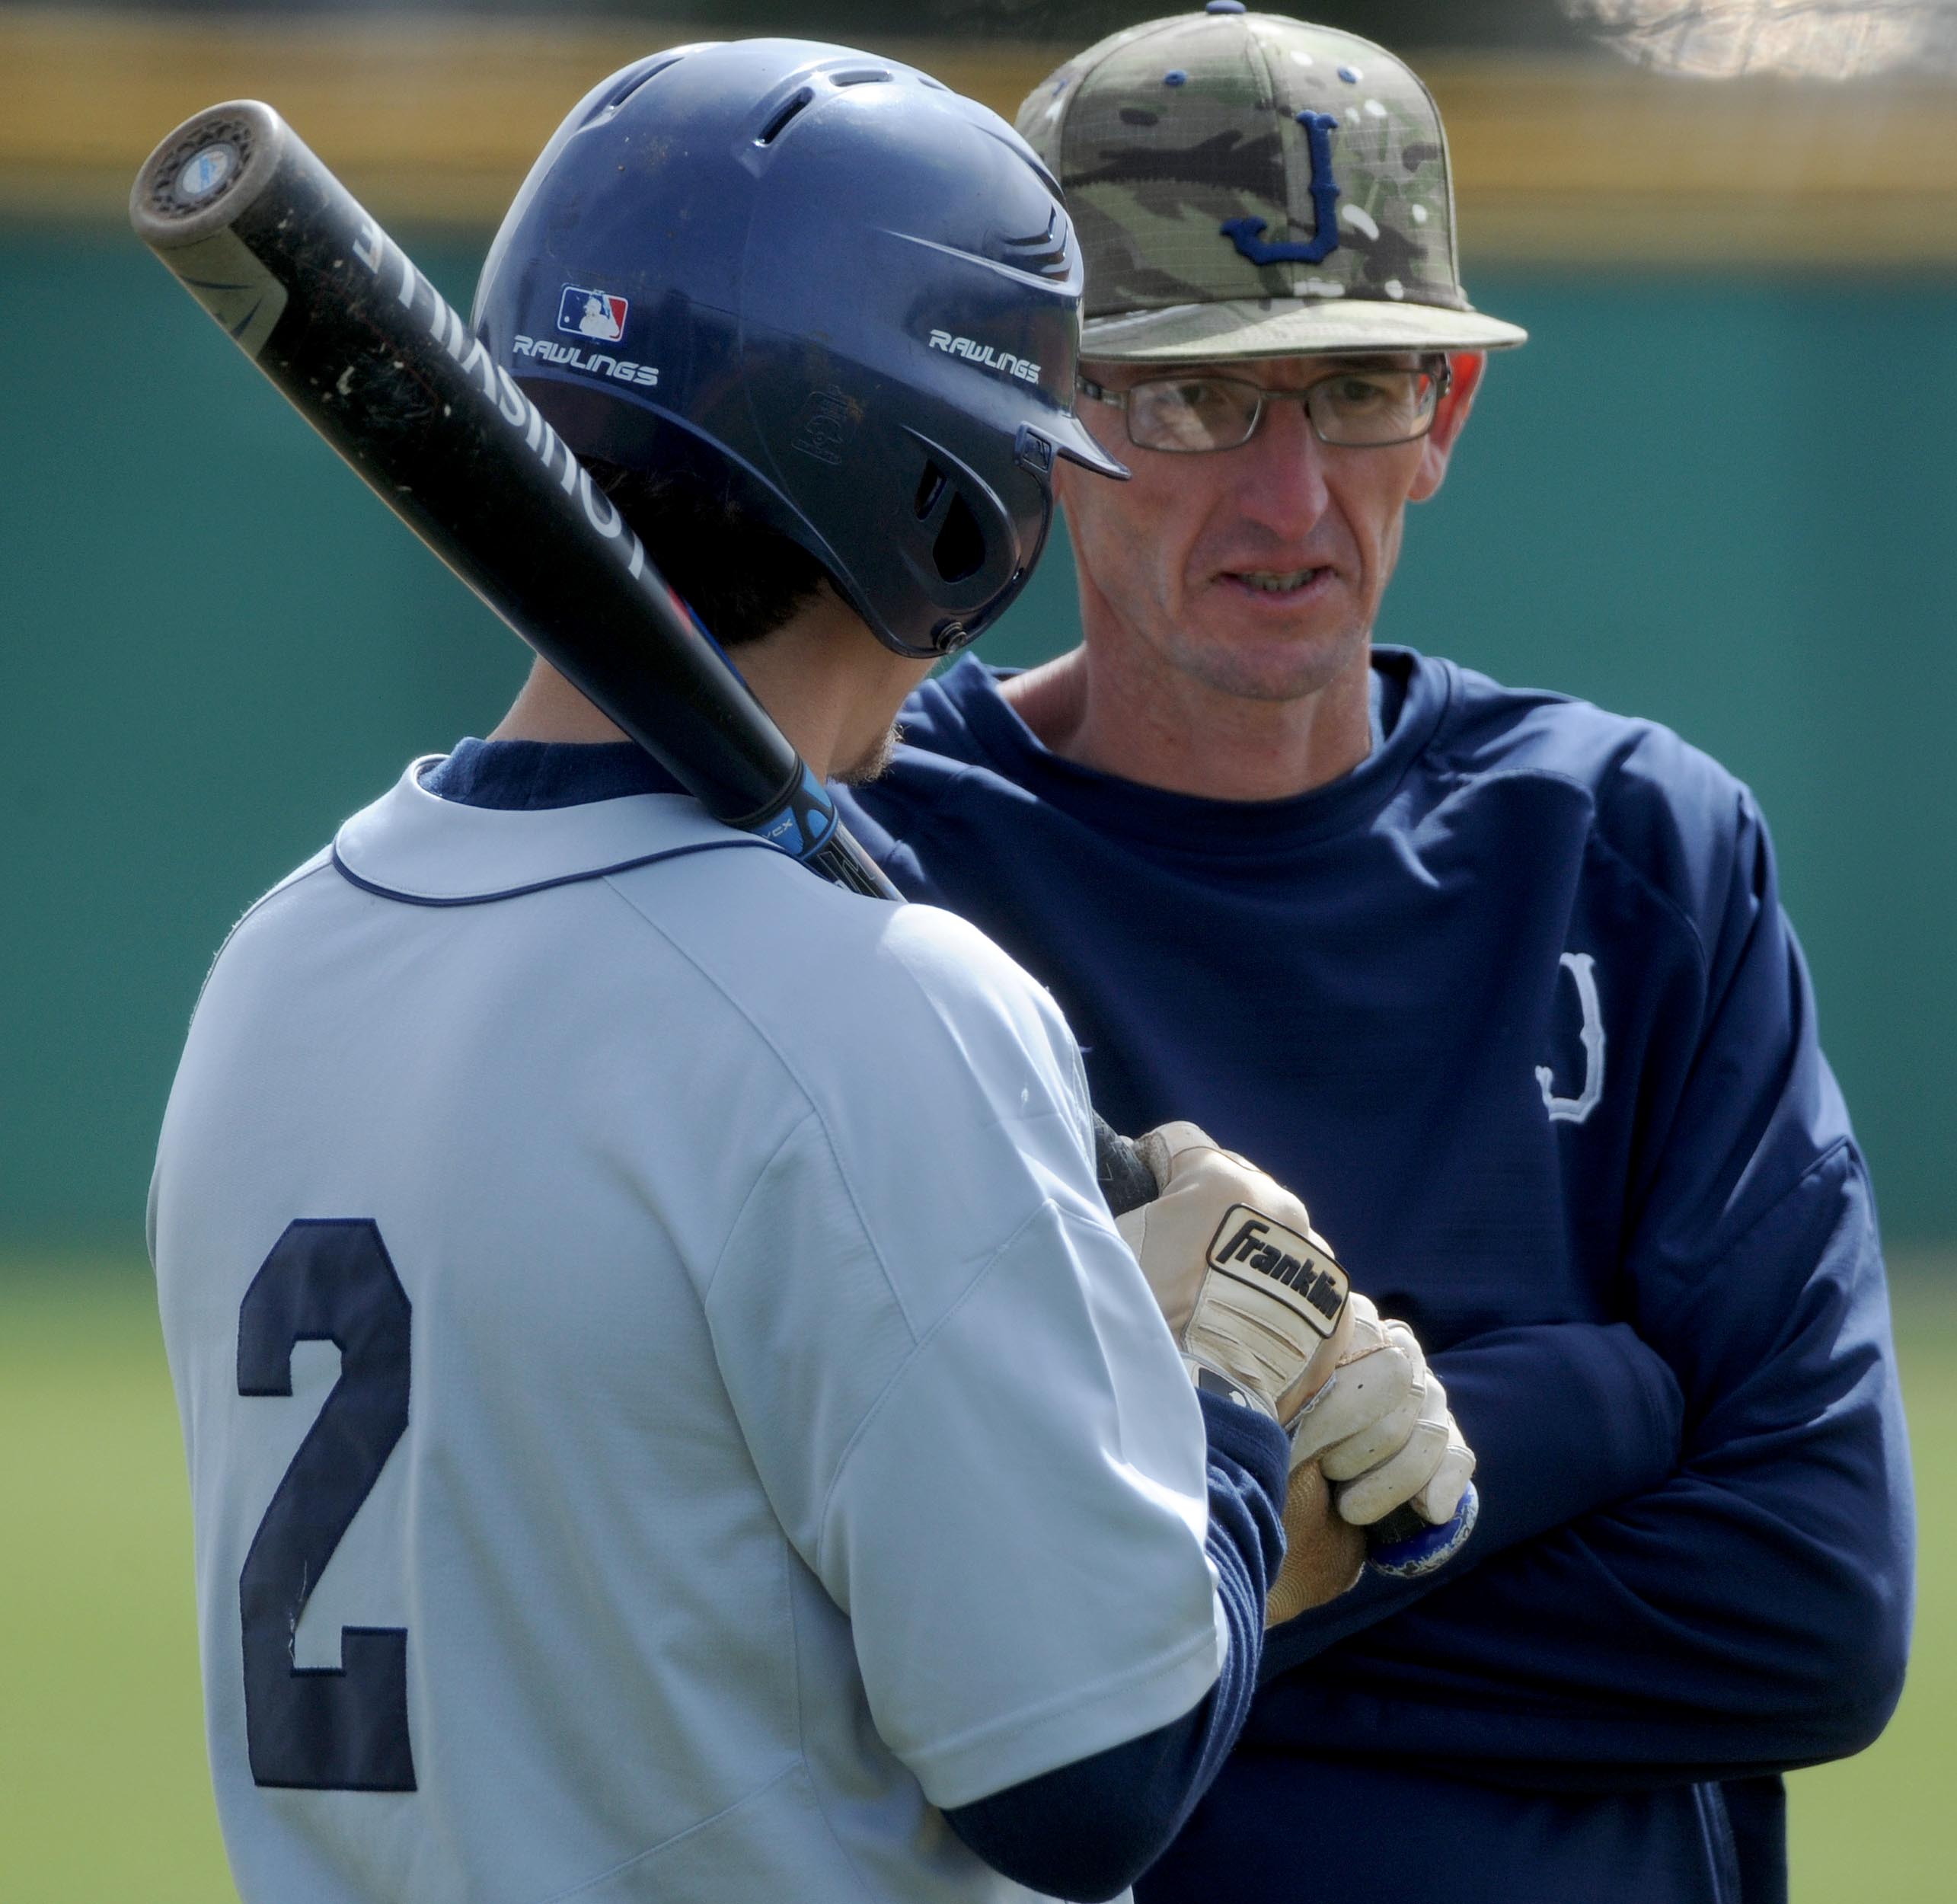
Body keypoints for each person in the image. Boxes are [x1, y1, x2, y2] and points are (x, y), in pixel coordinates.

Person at [148, 39, 1473, 1904]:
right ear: (961, 508)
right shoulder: (882, 1008)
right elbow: (1091, 1778)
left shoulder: (279, 961)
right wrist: (1233, 1422)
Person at [838, 10, 1915, 1903]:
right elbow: (860, 1648)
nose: (1285, 496)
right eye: (1189, 396)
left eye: (1355, 389)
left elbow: (1811, 1600)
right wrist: (1586, 1407)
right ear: (1043, 410)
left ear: (1447, 413)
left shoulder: (1633, 847)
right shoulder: (877, 857)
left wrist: (1170, 1637)